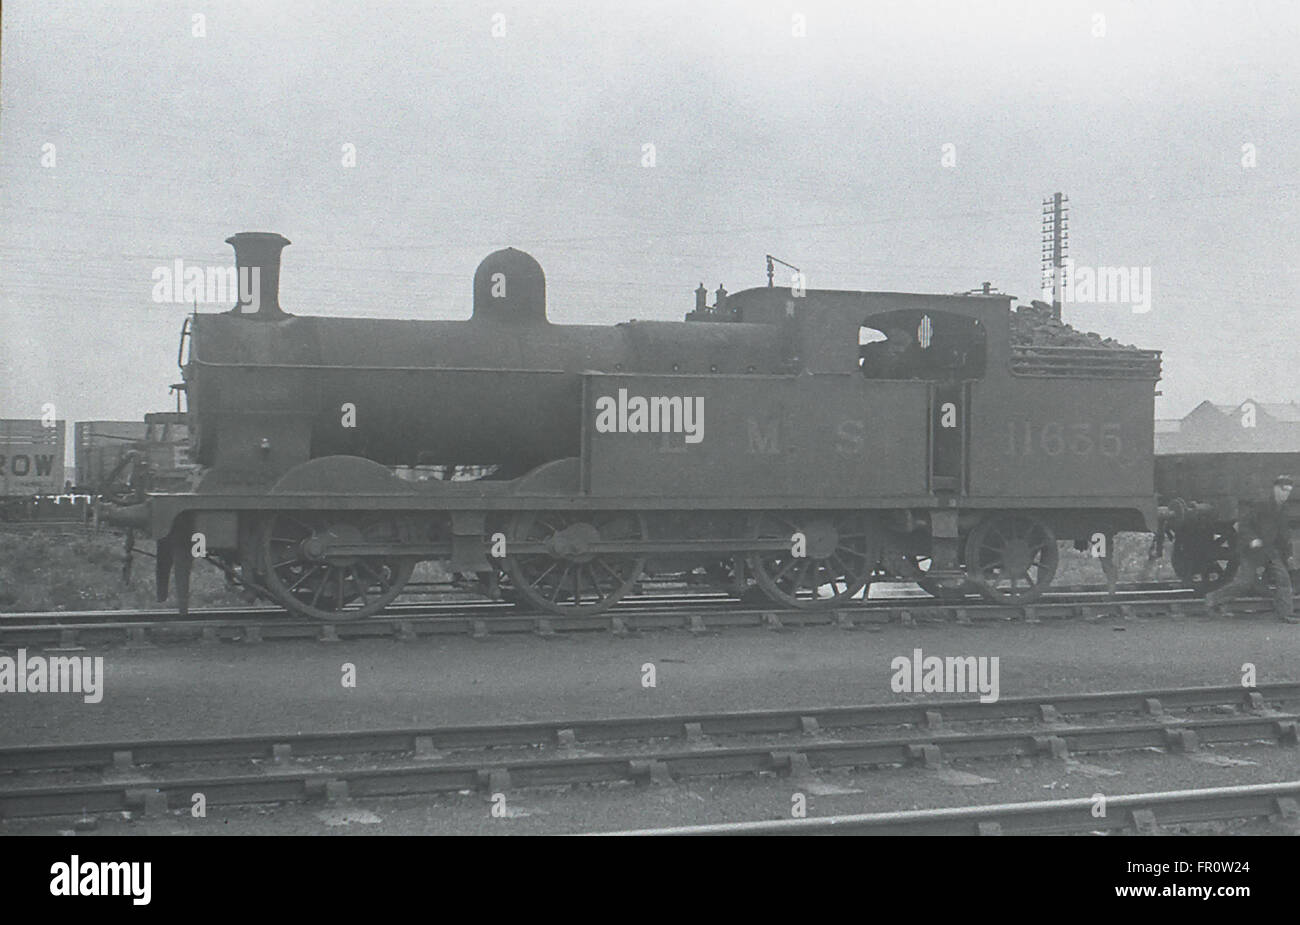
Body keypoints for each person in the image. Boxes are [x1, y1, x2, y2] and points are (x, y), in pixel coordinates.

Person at [1206, 475, 1298, 623]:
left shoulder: (1283, 509)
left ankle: (1286, 613)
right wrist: (1252, 539)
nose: (1286, 494)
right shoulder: (1261, 505)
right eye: (1283, 490)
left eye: (1288, 491)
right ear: (1275, 489)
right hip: (1251, 551)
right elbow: (1244, 524)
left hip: (1269, 550)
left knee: (1283, 579)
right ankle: (1211, 600)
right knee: (1245, 582)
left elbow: (1283, 535)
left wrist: (1288, 555)